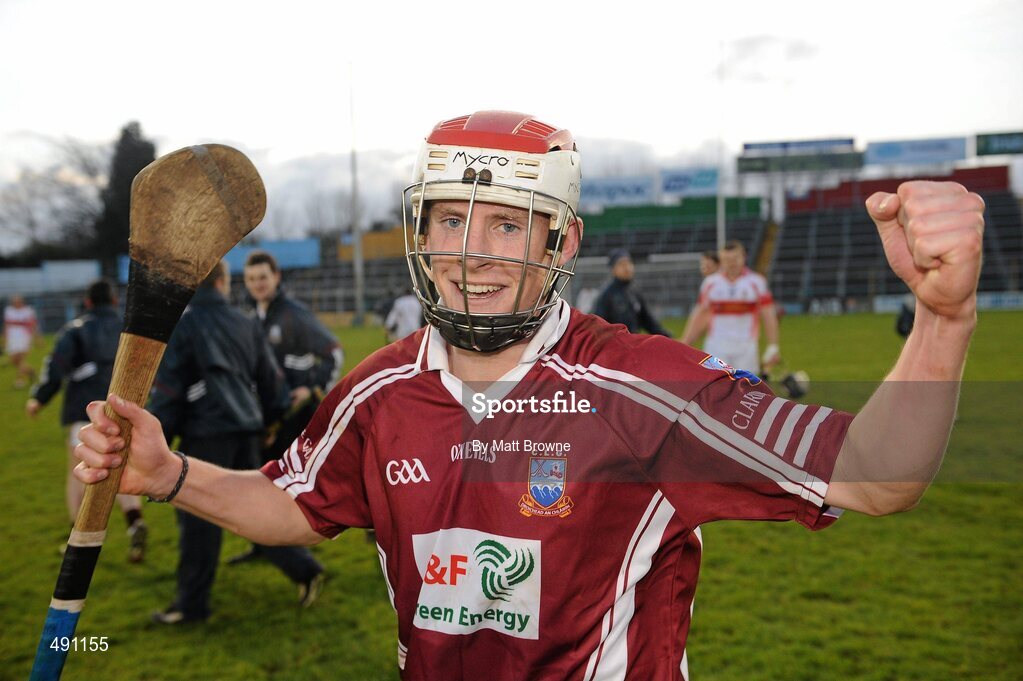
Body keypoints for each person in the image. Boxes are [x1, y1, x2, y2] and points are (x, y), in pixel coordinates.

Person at [73, 110, 985, 679]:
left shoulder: (644, 386)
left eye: (507, 222)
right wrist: (171, 471)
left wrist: (941, 319)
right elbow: (296, 503)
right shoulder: (379, 388)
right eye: (450, 220)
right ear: (417, 231)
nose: (473, 251)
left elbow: (876, 475)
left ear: (559, 243)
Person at [146, 260, 325, 624]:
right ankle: (304, 568)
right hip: (248, 430)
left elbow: (168, 390)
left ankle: (191, 606)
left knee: (198, 519)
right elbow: (270, 380)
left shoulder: (183, 325)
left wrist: (156, 443)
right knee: (252, 510)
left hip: (207, 434)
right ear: (224, 281)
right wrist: (272, 419)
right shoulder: (245, 322)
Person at [227, 249, 344, 566]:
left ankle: (295, 549)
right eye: (251, 279)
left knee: (285, 484)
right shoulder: (253, 317)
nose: (257, 284)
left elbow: (334, 352)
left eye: (263, 277)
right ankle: (264, 545)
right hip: (267, 414)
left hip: (296, 416)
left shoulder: (294, 313)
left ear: (276, 278)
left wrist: (312, 388)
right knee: (261, 480)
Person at [25, 280, 148, 562]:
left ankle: (76, 540)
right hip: (123, 410)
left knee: (78, 473)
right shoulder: (128, 328)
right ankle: (134, 521)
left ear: (88, 303)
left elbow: (56, 367)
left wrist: (39, 399)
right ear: (114, 302)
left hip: (86, 411)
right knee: (119, 470)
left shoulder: (76, 329)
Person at [681, 240, 780, 375]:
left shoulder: (757, 282)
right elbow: (700, 315)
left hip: (746, 347)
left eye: (735, 258)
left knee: (747, 389)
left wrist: (773, 345)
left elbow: (768, 315)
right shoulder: (711, 283)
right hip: (716, 345)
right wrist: (686, 341)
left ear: (743, 257)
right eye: (727, 259)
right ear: (721, 260)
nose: (731, 262)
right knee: (715, 388)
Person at [592, 249, 673, 336]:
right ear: (613, 269)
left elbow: (647, 321)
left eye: (628, 263)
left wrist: (668, 337)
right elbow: (598, 328)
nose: (627, 267)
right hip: (616, 347)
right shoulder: (606, 295)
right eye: (621, 264)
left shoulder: (634, 291)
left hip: (633, 345)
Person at [4, 294, 39, 388]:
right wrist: (5, 337)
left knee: (21, 359)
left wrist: (37, 337)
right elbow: (7, 325)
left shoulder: (28, 310)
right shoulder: (9, 311)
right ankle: (30, 371)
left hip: (24, 336)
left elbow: (33, 323)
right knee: (14, 360)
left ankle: (19, 380)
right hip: (13, 337)